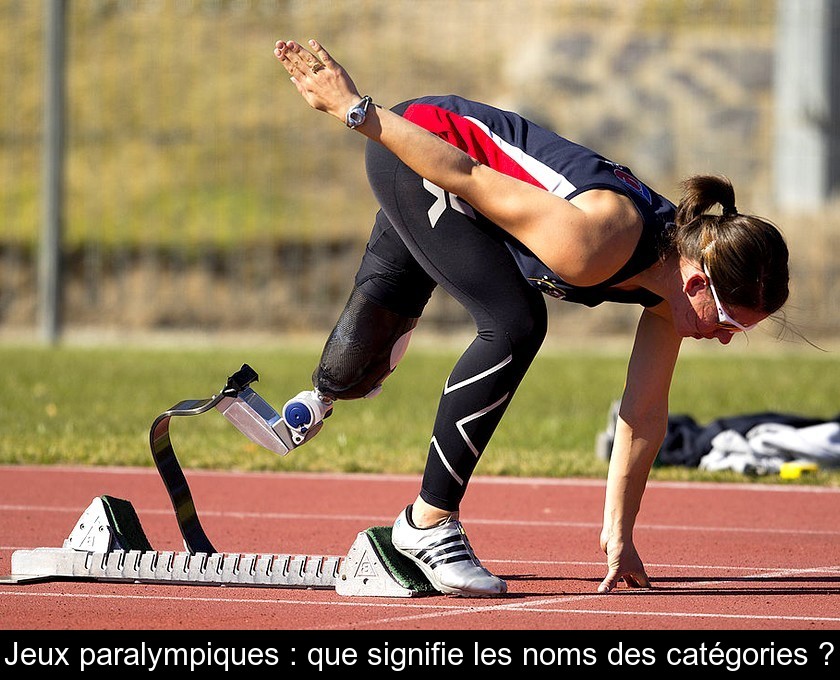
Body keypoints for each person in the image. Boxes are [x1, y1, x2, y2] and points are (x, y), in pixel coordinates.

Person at [271, 39, 790, 596]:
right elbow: (467, 174)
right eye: (730, 324)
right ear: (696, 282)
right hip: (420, 150)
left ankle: (316, 400)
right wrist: (357, 110)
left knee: (354, 371)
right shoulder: (598, 240)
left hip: (454, 182)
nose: (727, 341)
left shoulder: (669, 290)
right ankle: (428, 524)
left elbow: (644, 411)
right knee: (516, 323)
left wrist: (619, 533)